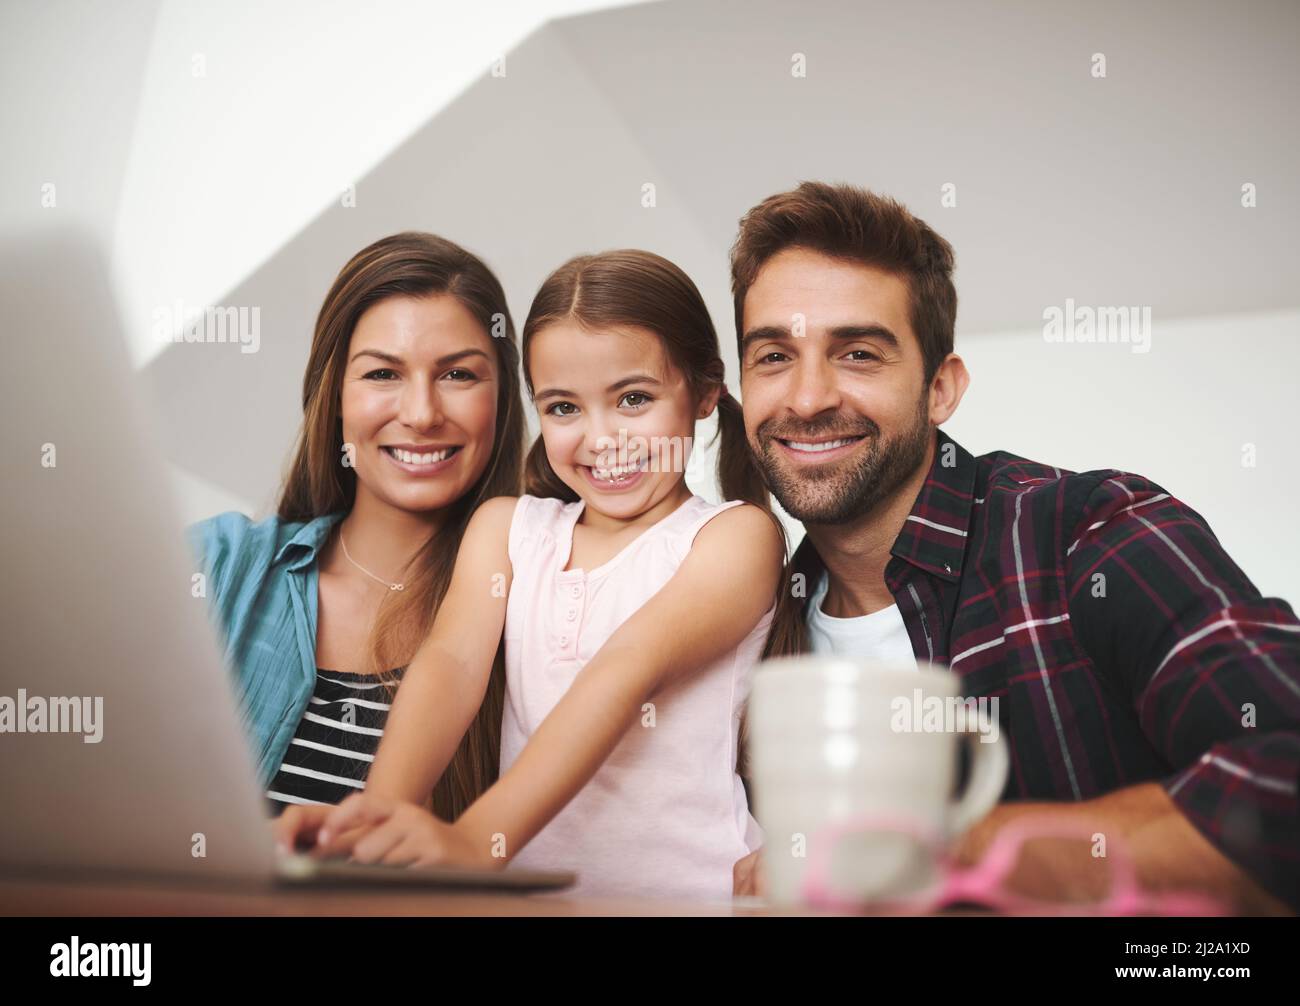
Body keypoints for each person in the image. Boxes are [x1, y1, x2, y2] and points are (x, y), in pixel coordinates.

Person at [726, 181, 1300, 913]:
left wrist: (939, 851)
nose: (806, 399)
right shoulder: (745, 620)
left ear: (940, 389)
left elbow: (1282, 775)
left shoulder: (1091, 531)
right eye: (773, 355)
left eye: (859, 353)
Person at [278, 249, 802, 900]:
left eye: (633, 398)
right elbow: (449, 666)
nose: (601, 437)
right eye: (563, 408)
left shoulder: (733, 537)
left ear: (702, 393)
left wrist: (476, 841)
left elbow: (627, 667)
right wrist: (379, 817)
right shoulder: (509, 530)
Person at [189, 232, 524, 823]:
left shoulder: (545, 609)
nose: (421, 414)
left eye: (458, 376)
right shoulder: (214, 566)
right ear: (335, 396)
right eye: (382, 375)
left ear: (501, 398)